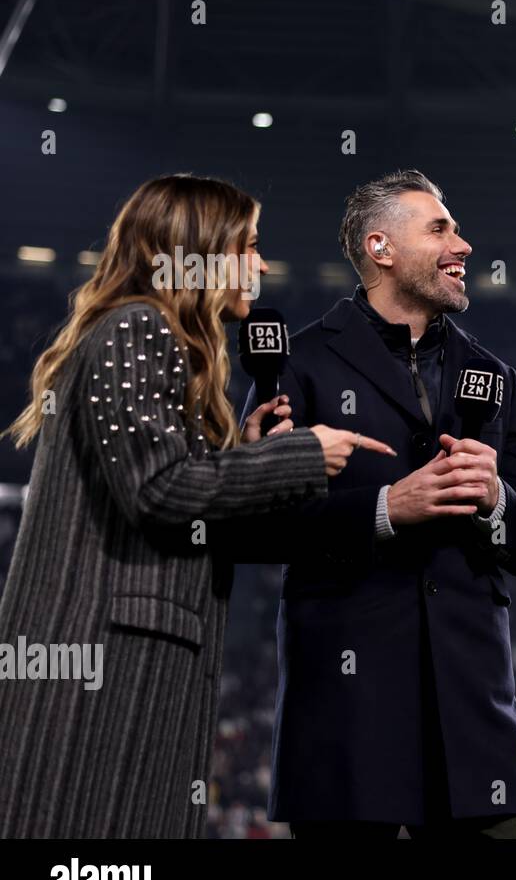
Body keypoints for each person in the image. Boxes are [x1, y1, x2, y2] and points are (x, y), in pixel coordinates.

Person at [0, 173, 390, 837]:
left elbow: (167, 486)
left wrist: (246, 449)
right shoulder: (139, 330)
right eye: (250, 245)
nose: (262, 264)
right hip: (104, 670)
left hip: (123, 668)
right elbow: (159, 491)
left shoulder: (150, 339)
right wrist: (297, 456)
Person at [222, 170, 516, 839]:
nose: (463, 244)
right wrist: (382, 509)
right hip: (347, 711)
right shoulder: (300, 363)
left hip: (474, 718)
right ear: (381, 248)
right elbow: (247, 525)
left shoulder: (493, 375)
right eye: (441, 229)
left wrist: (497, 499)